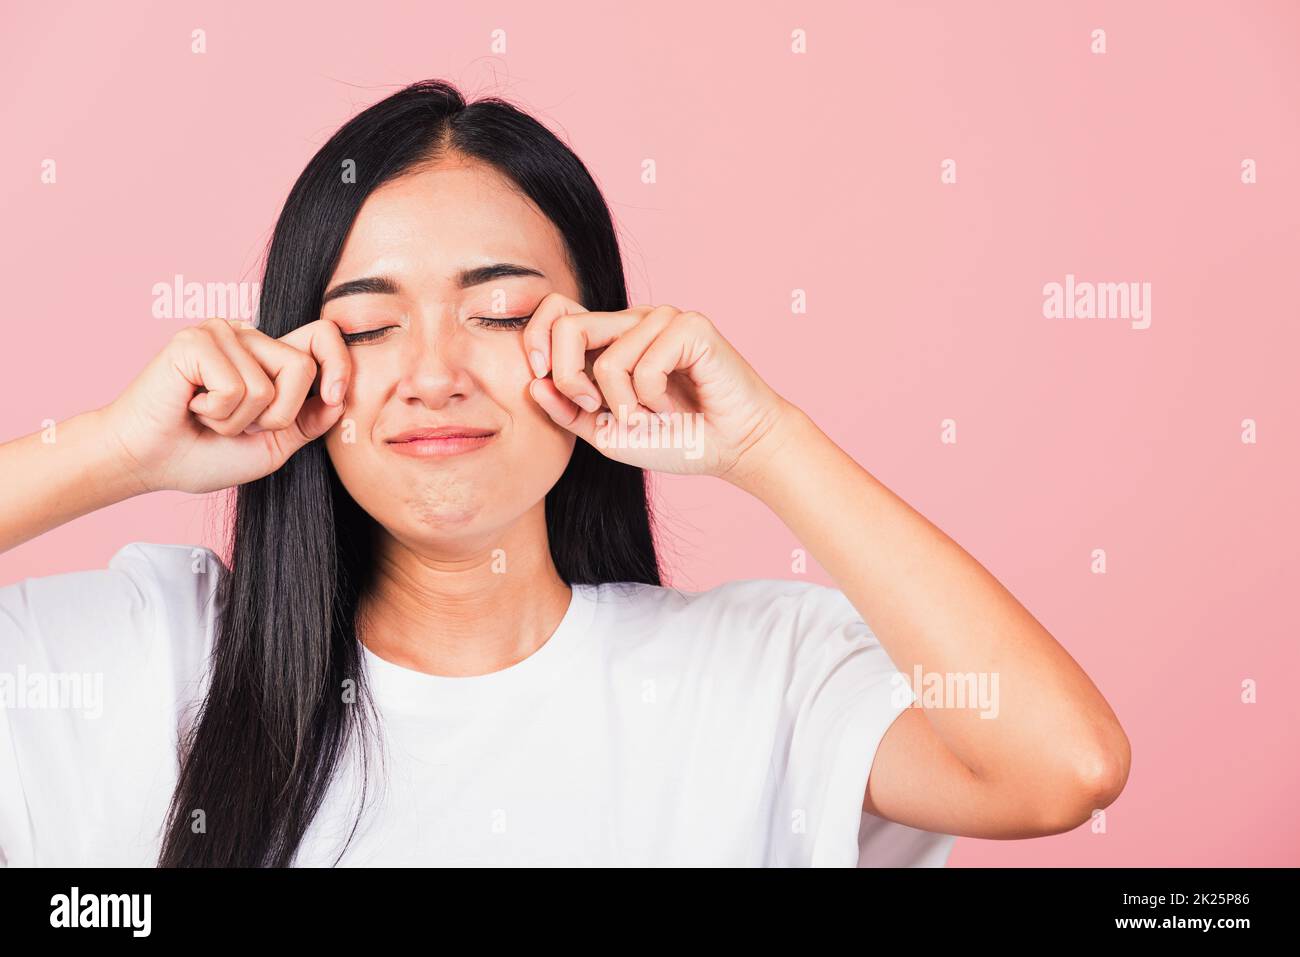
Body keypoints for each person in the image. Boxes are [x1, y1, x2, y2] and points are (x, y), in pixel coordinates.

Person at [0, 79, 1129, 867]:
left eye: (497, 313)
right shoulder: (147, 655)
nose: (434, 374)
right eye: (367, 326)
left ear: (596, 341)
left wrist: (764, 443)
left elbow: (1062, 766)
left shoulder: (751, 677)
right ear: (297, 368)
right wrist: (115, 448)